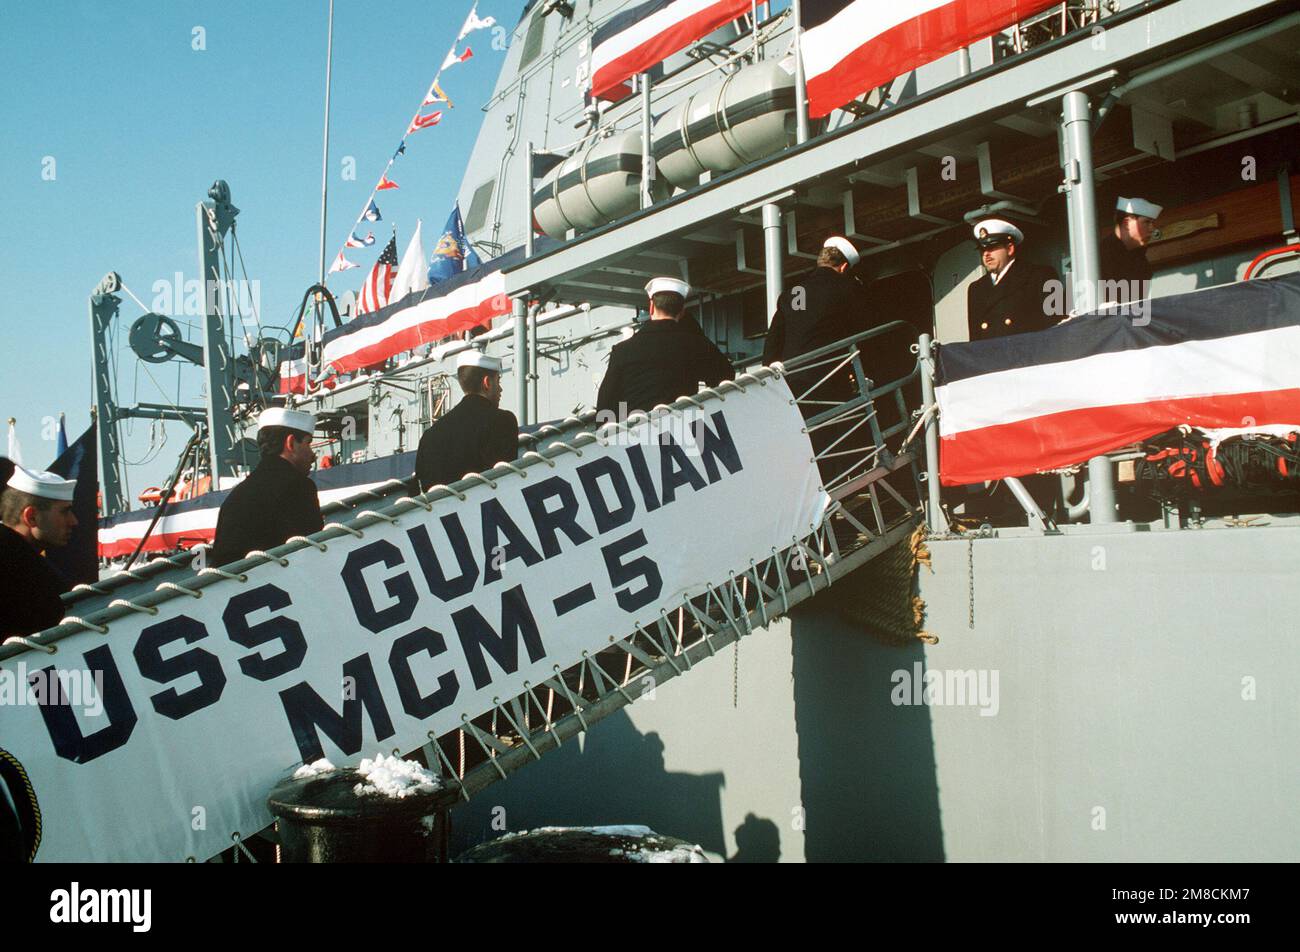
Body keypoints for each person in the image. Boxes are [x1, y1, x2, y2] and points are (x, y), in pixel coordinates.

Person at [596, 277, 733, 416]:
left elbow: (606, 404)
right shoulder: (696, 344)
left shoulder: (622, 350)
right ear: (682, 311)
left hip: (637, 427)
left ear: (651, 307)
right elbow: (726, 378)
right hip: (684, 424)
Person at [210, 407, 323, 566]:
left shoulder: (238, 494)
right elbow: (312, 554)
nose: (312, 455)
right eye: (308, 443)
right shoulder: (298, 486)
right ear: (291, 443)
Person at [415, 349, 520, 490]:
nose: (500, 389)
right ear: (487, 382)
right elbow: (506, 482)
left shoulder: (430, 435)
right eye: (498, 381)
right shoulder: (502, 421)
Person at [762, 236, 865, 370]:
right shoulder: (848, 288)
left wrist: (768, 373)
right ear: (844, 267)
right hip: (829, 373)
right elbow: (860, 327)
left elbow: (774, 339)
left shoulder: (793, 292)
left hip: (791, 374)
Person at [0, 465, 78, 637]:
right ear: (31, 517)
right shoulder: (23, 573)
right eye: (64, 512)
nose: (73, 521)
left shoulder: (21, 563)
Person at [966, 219, 1060, 341]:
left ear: (1010, 249)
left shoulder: (1042, 275)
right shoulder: (975, 289)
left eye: (992, 247)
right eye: (983, 249)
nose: (986, 254)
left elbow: (1059, 327)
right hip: (991, 353)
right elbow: (975, 340)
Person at [1099, 195, 1161, 306]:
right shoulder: (1097, 256)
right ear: (1127, 223)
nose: (1152, 229)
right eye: (1147, 222)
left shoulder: (1141, 263)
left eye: (1152, 223)